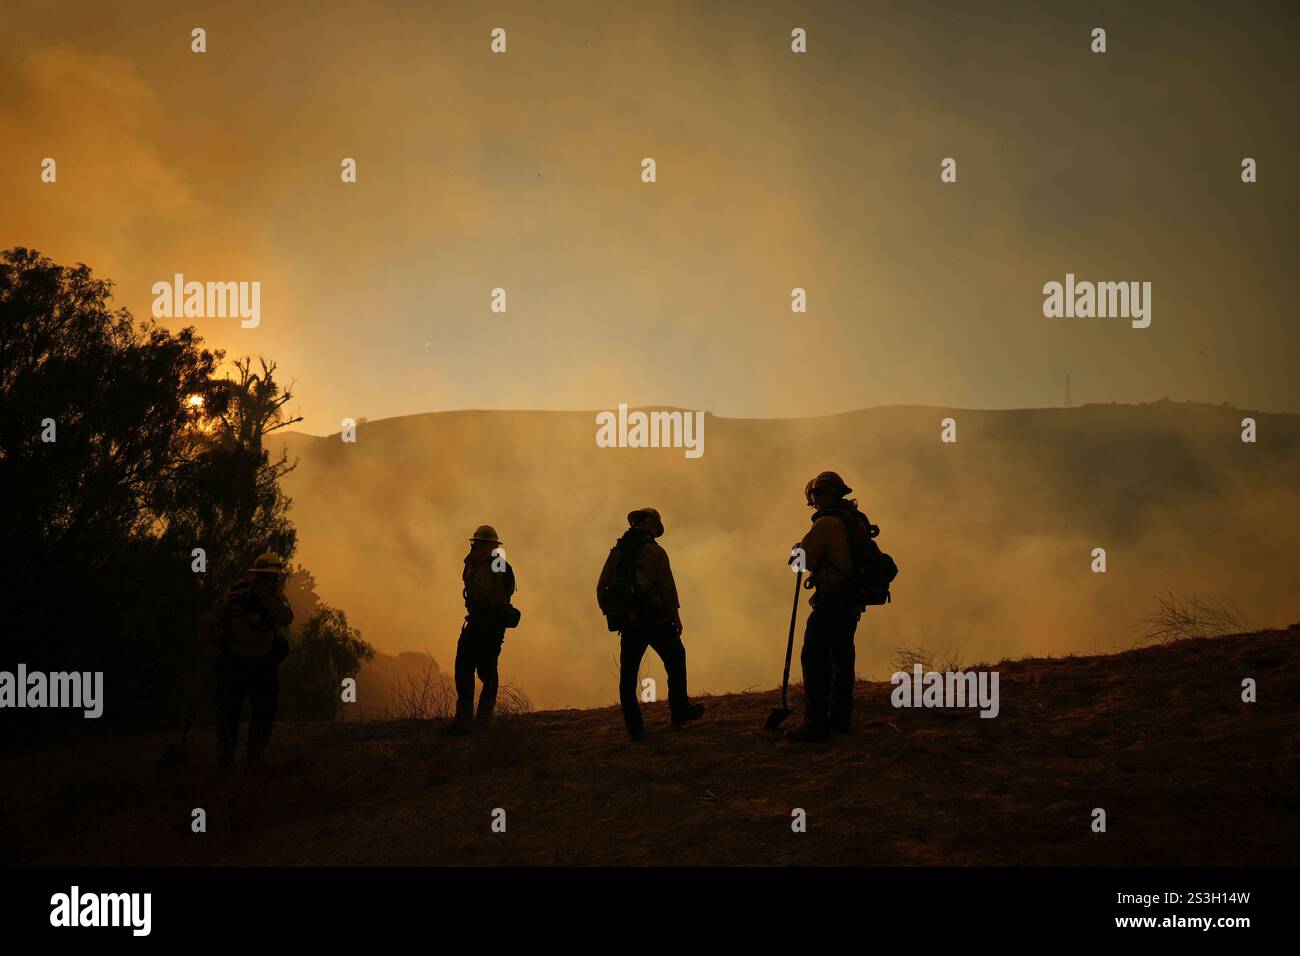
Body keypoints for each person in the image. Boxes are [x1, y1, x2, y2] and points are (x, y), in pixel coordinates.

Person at [597, 508, 704, 740]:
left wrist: (618, 615)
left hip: (630, 624)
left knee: (628, 675)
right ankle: (680, 711)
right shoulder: (655, 551)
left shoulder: (616, 552)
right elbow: (667, 587)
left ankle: (635, 728)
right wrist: (674, 617)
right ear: (651, 524)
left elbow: (602, 587)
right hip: (656, 620)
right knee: (675, 657)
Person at [786, 472, 866, 743]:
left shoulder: (827, 521)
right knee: (843, 658)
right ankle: (840, 720)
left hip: (831, 599)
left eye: (817, 494)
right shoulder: (852, 520)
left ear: (825, 494)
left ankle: (815, 724)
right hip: (850, 600)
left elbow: (804, 561)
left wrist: (797, 549)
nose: (815, 500)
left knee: (814, 657)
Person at [201, 552, 294, 770]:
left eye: (274, 578)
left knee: (264, 710)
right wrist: (210, 650)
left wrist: (266, 600)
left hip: (261, 663)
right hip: (233, 661)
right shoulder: (235, 595)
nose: (273, 581)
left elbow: (286, 617)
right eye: (269, 577)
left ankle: (256, 756)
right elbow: (207, 623)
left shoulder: (273, 599)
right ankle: (225, 762)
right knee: (228, 712)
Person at [449, 525, 517, 734]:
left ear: (487, 546)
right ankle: (476, 719)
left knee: (474, 669)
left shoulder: (490, 565)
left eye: (477, 543)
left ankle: (473, 719)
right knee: (477, 669)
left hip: (486, 625)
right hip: (487, 625)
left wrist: (472, 573)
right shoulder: (491, 564)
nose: (473, 547)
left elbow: (482, 592)